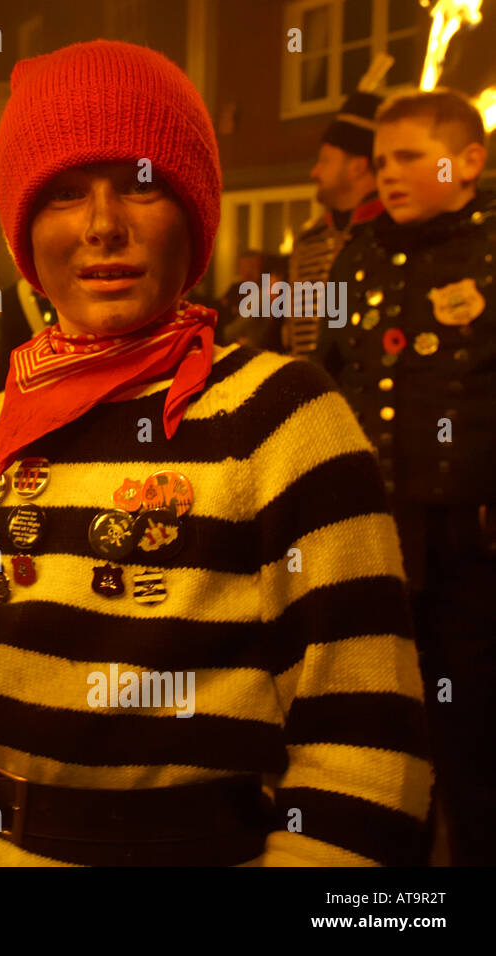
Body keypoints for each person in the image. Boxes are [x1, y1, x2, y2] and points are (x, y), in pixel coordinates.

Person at [0, 40, 430, 867]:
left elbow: (368, 751)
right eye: (64, 193)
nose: (103, 225)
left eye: (143, 184)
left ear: (191, 212)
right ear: (24, 230)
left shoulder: (281, 417)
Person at [318, 88, 495, 865]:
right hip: (383, 536)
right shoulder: (359, 255)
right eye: (382, 160)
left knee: (477, 737)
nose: (387, 175)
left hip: (475, 544)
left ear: (469, 161)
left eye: (411, 158)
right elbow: (329, 376)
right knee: (391, 730)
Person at [285, 88, 385, 356]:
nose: (314, 172)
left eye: (324, 161)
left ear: (358, 166)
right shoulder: (309, 240)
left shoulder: (393, 234)